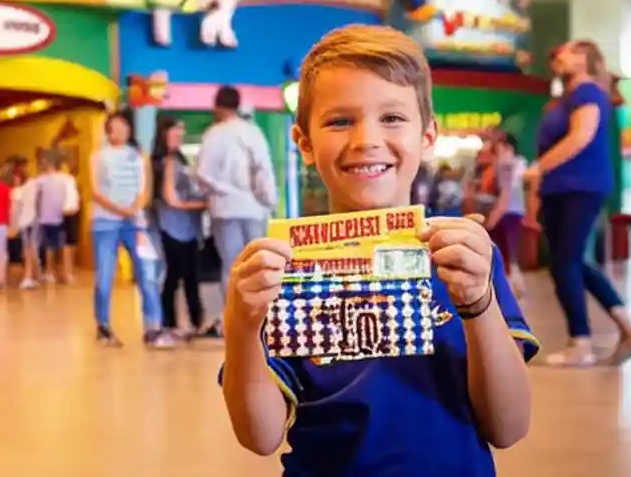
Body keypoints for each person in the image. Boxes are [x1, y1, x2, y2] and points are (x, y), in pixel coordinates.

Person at [221, 25, 535, 475]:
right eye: (340, 120)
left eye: (392, 118)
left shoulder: (466, 260)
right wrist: (241, 326)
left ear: (427, 136)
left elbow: (508, 427)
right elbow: (259, 436)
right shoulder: (281, 272)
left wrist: (479, 303)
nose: (367, 139)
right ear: (304, 142)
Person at [525, 40, 631, 367]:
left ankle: (580, 342)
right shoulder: (568, 97)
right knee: (575, 261)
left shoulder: (587, 93)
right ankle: (627, 329)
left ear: (585, 59)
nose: (559, 56)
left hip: (577, 186)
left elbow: (581, 136)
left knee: (565, 263)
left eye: (568, 52)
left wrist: (540, 166)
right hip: (563, 188)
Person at [90, 110, 176, 349]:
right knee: (105, 277)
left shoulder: (137, 156)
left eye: (124, 126)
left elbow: (144, 190)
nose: (120, 131)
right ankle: (103, 327)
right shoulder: (98, 156)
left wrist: (134, 209)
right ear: (108, 131)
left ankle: (152, 328)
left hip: (136, 224)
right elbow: (95, 191)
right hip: (105, 224)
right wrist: (120, 210)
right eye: (115, 127)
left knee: (147, 274)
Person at [196, 86, 278, 335]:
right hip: (254, 209)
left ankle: (232, 322)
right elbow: (264, 169)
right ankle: (263, 322)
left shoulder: (214, 134)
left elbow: (202, 173)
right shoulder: (252, 132)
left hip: (225, 210)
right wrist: (268, 201)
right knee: (259, 265)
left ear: (218, 106)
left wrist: (223, 190)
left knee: (232, 267)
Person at [152, 115, 208, 337]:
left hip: (188, 227)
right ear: (164, 133)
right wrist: (201, 204)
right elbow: (170, 198)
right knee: (176, 276)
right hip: (172, 226)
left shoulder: (180, 159)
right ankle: (173, 323)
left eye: (181, 131)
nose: (180, 134)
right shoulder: (166, 161)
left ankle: (193, 322)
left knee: (189, 277)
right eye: (175, 131)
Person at [486, 134, 527, 297]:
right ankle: (516, 285)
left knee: (505, 253)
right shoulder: (519, 164)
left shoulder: (505, 166)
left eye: (499, 148)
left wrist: (494, 217)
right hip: (514, 212)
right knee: (510, 253)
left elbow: (506, 194)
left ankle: (511, 287)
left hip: (506, 214)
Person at [31, 150, 80, 285]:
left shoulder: (41, 180)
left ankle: (50, 272)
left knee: (50, 246)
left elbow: (35, 196)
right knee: (67, 244)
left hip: (49, 216)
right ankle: (67, 273)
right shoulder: (68, 179)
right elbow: (73, 197)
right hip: (68, 212)